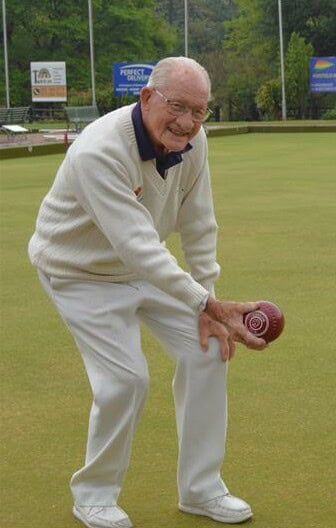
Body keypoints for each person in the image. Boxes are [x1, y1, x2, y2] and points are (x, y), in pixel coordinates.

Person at [28, 56, 266, 528]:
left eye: (199, 111)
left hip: (145, 268)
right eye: (177, 106)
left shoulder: (193, 142)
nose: (187, 122)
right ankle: (94, 495)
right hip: (78, 272)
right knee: (126, 380)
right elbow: (137, 246)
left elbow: (199, 223)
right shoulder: (99, 151)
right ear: (147, 97)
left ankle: (201, 489)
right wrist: (206, 302)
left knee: (209, 350)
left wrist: (209, 302)